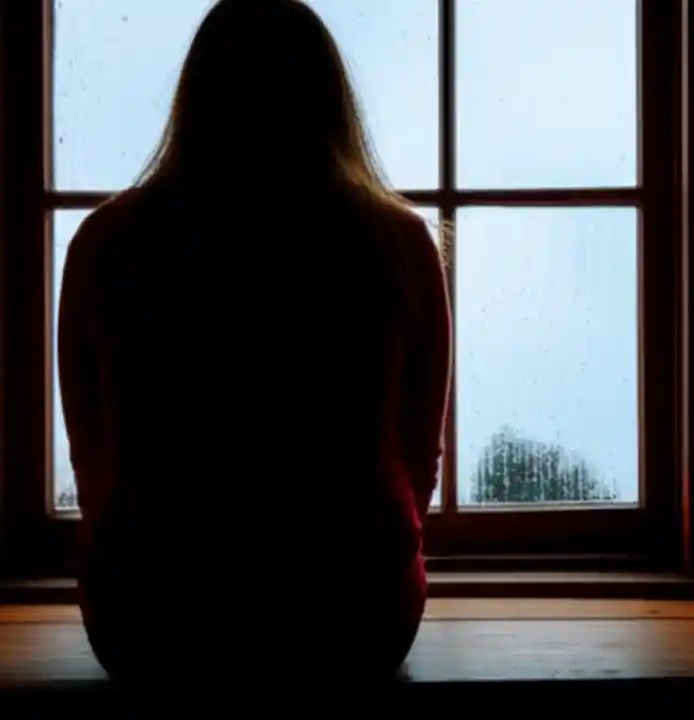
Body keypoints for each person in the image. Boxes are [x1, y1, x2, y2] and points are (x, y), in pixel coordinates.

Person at [56, 0, 451, 684]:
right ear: (332, 102)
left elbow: (92, 455)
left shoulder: (109, 243)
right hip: (354, 611)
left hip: (150, 612)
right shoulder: (397, 244)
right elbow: (419, 459)